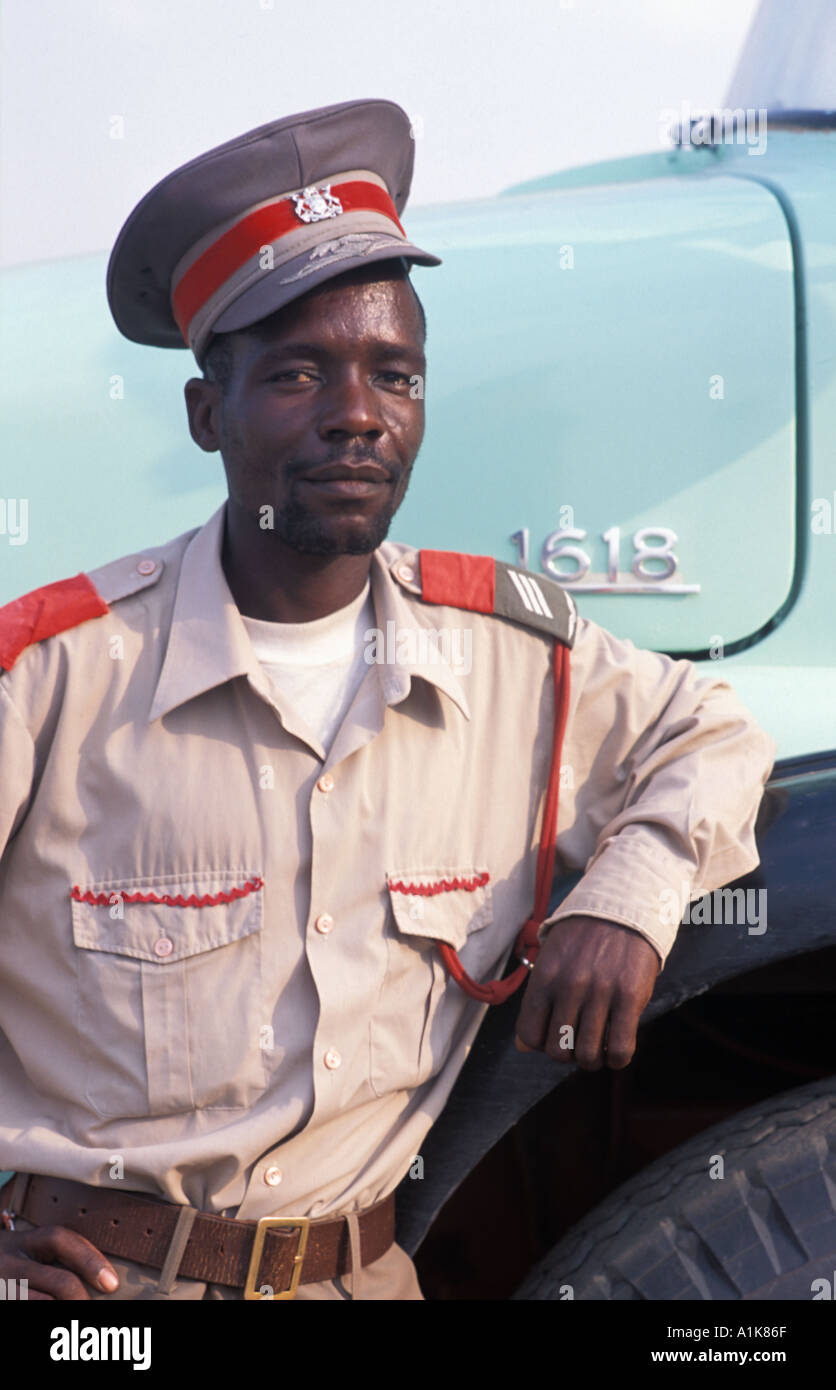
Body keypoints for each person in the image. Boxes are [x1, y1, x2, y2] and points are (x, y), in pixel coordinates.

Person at [0, 98, 775, 1301]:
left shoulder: (517, 657)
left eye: (391, 374)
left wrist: (627, 897)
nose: (355, 414)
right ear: (208, 414)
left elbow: (710, 734)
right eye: (298, 373)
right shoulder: (51, 678)